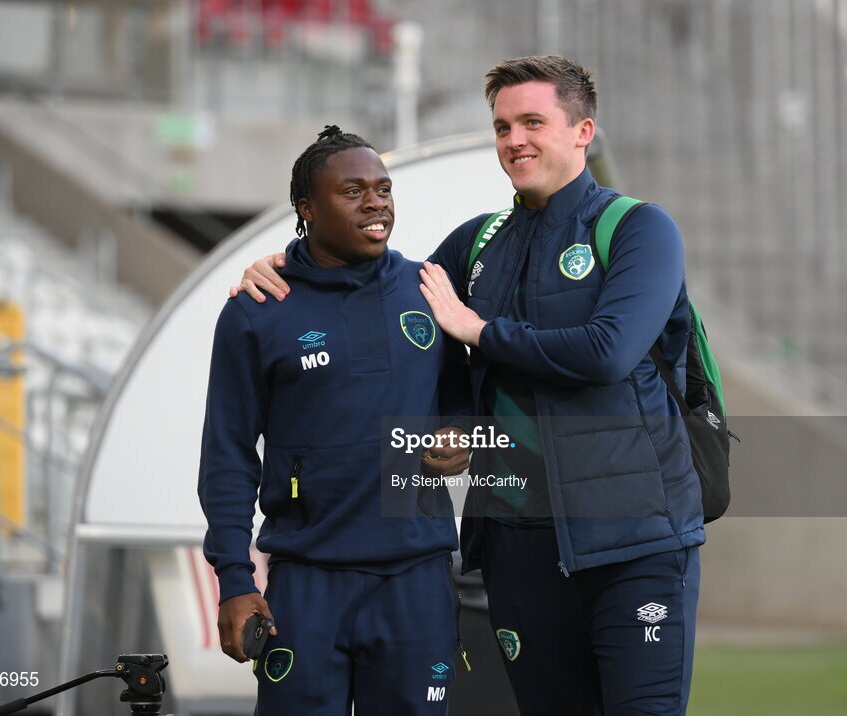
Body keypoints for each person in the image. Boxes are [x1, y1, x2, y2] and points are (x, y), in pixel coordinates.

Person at [235, 56, 705, 716]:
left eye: (533, 122)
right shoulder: (478, 243)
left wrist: (477, 330)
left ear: (583, 131)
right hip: (518, 547)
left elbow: (608, 352)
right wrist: (287, 264)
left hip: (635, 541)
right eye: (503, 126)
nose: (515, 140)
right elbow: (376, 290)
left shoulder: (638, 229)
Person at [199, 126, 472, 716]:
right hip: (307, 581)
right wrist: (235, 580)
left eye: (383, 189)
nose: (376, 204)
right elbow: (227, 455)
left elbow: (457, 394)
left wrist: (458, 433)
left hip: (416, 577)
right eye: (353, 191)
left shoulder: (427, 290)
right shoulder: (256, 310)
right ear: (307, 207)